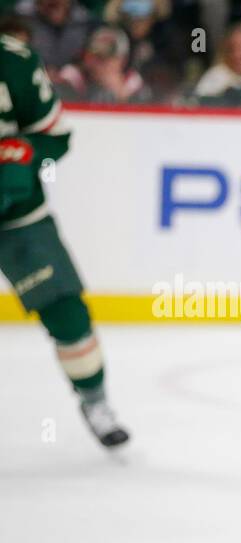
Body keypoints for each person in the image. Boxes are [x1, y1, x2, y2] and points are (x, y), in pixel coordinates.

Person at [0, 31, 130, 447]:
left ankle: (95, 401)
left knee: (66, 312)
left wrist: (23, 153)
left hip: (17, 215)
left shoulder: (13, 63)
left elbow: (55, 136)